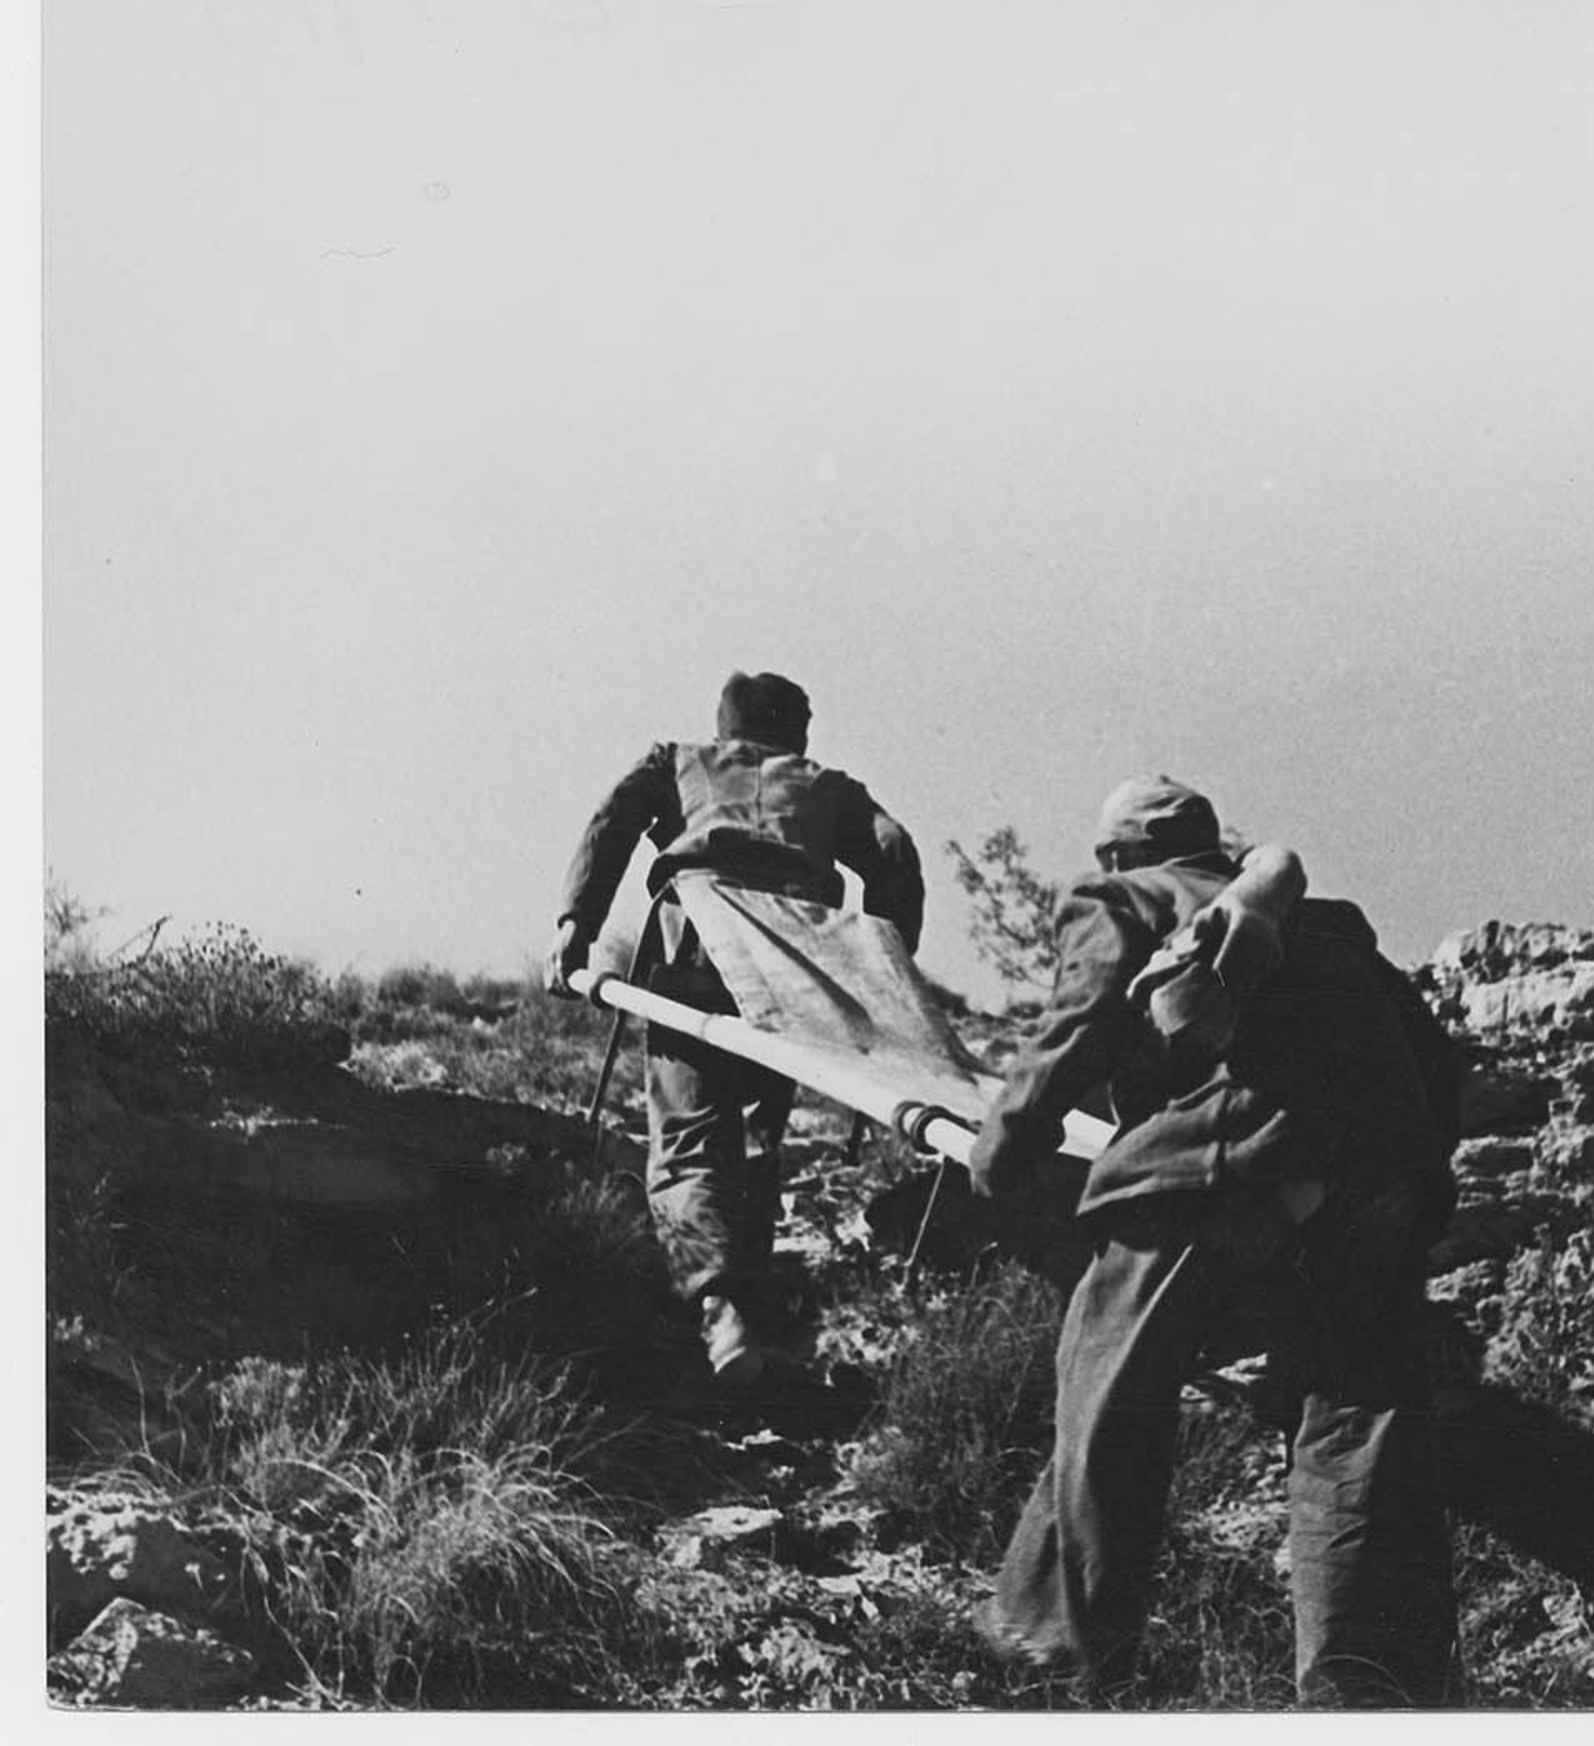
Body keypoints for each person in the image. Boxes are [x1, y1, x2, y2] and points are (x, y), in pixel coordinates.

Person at [966, 774, 1463, 1706]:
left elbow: (1083, 1014)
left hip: (1222, 1160)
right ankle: (1365, 1685)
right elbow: (1437, 1064)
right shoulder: (1330, 925)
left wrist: (1002, 1148)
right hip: (1381, 1182)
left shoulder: (1126, 894)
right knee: (1356, 1419)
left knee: (1106, 1385)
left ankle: (1049, 1658)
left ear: (1121, 853)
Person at [548, 669, 925, 1385]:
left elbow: (612, 820)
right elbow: (895, 851)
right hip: (794, 951)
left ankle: (717, 1304)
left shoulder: (678, 761)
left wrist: (577, 926)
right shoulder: (828, 785)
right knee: (758, 1124)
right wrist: (881, 966)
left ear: (725, 724)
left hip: (699, 931)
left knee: (691, 1124)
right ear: (796, 731)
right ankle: (750, 1303)